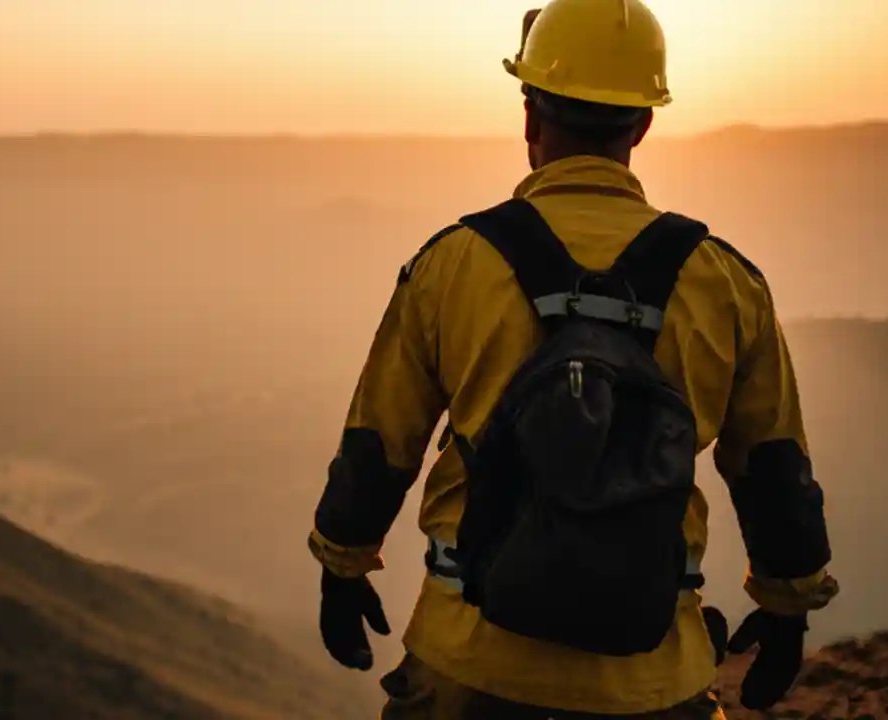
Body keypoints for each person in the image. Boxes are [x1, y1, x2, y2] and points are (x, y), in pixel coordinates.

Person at [308, 1, 839, 717]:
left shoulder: (453, 265)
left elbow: (379, 443)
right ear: (644, 123)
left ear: (530, 114)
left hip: (470, 662)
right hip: (654, 674)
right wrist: (787, 608)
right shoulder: (725, 281)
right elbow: (772, 469)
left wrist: (342, 568)